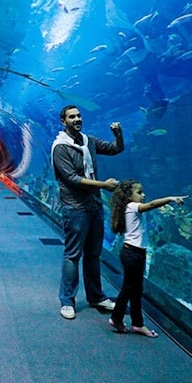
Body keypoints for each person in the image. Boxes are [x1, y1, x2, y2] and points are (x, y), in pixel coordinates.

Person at [51, 105, 124, 319]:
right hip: (75, 208)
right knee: (72, 255)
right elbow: (71, 179)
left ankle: (96, 296)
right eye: (72, 117)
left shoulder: (88, 141)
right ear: (63, 121)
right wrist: (103, 185)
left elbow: (114, 149)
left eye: (79, 115)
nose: (77, 119)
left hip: (94, 206)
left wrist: (118, 135)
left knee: (93, 255)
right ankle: (67, 301)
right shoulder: (60, 148)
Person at [108, 180, 186, 336]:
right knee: (129, 288)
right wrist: (170, 198)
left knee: (136, 290)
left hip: (137, 253)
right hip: (132, 254)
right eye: (139, 192)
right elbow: (151, 205)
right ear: (128, 196)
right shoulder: (132, 207)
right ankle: (117, 318)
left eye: (143, 192)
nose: (143, 195)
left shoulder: (131, 208)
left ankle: (137, 324)